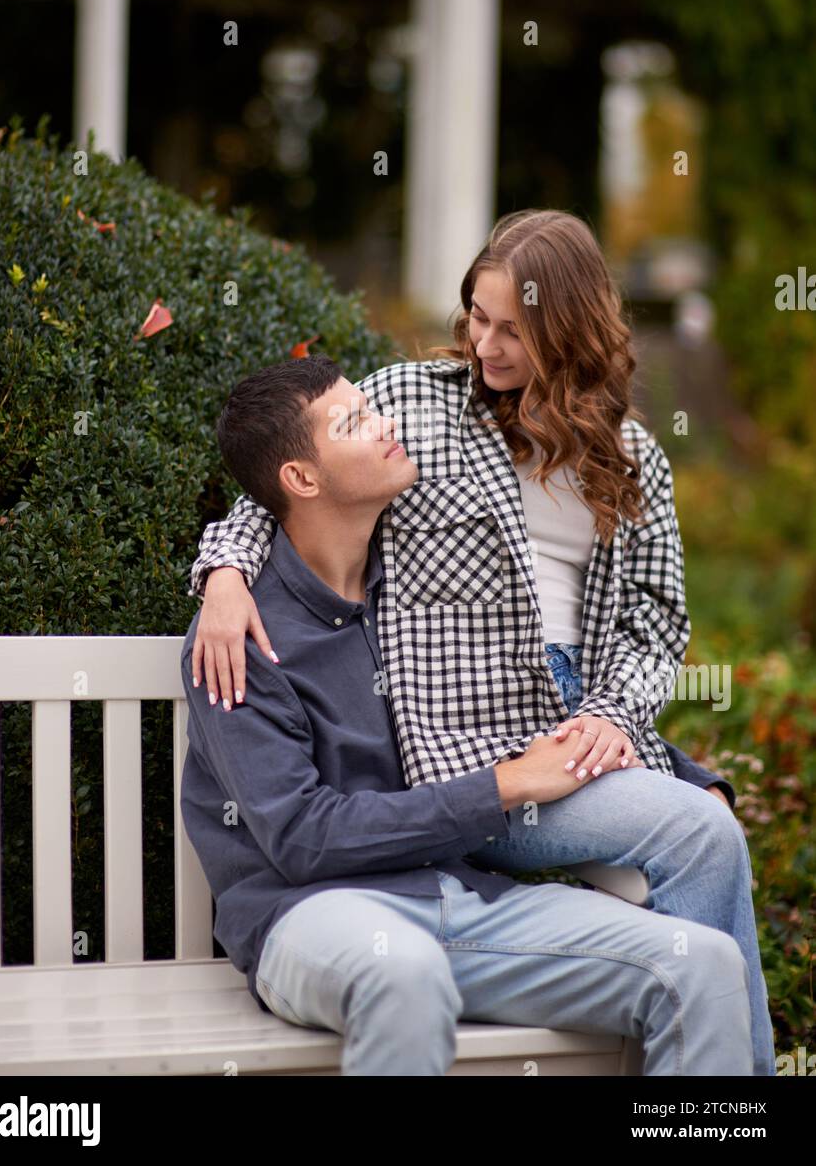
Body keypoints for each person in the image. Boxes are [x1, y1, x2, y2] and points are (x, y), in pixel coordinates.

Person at [187, 209, 774, 1074]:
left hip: (582, 718)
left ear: (570, 332)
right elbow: (278, 487)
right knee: (698, 835)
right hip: (475, 749)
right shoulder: (410, 406)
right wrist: (225, 578)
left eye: (514, 329)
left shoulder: (633, 456)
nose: (485, 344)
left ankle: (693, 1053)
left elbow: (655, 619)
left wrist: (621, 719)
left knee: (704, 851)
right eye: (477, 316)